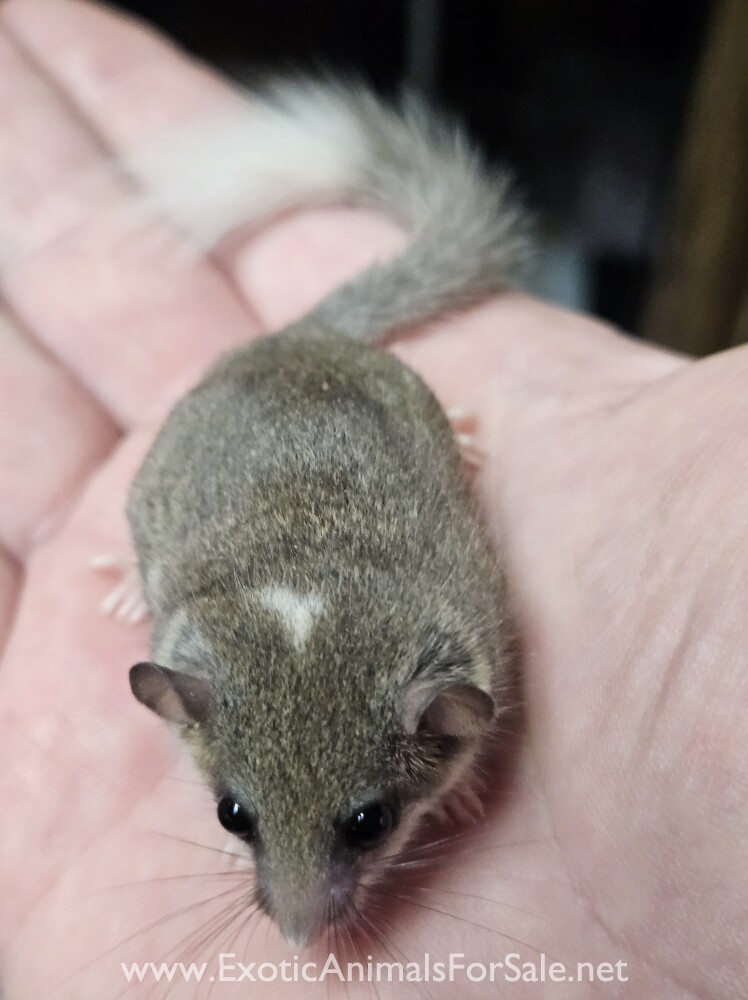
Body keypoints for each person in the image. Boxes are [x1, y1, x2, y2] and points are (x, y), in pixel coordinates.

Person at [0, 1, 745, 996]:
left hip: (341, 423)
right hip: (244, 429)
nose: (300, 908)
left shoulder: (441, 677)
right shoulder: (200, 668)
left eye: (362, 826)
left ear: (440, 728)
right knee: (165, 521)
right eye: (241, 816)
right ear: (188, 714)